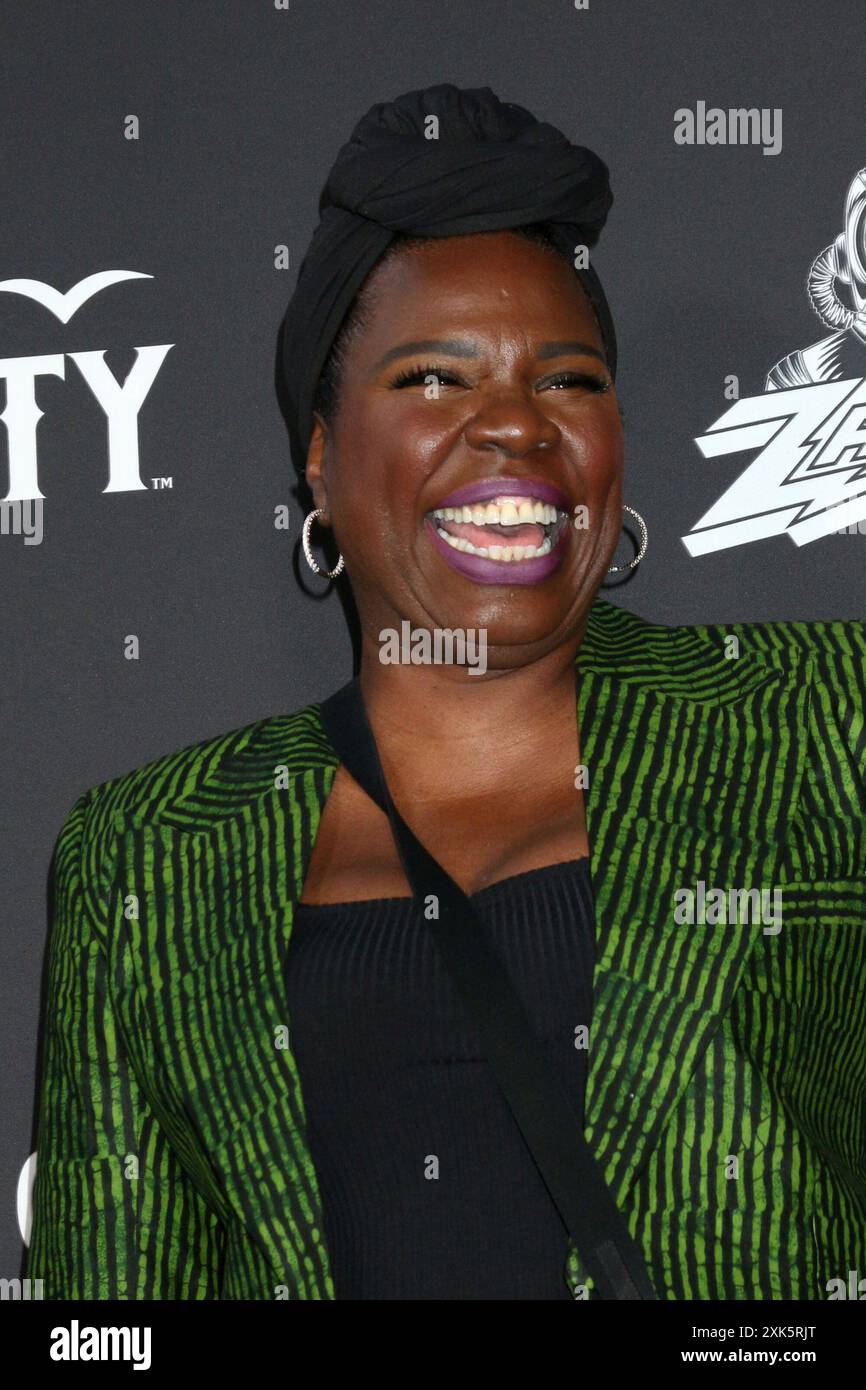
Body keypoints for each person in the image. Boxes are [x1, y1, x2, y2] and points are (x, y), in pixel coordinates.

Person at [26, 83, 866, 1301]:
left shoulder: (821, 724)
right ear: (316, 456)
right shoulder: (146, 859)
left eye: (568, 380)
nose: (515, 426)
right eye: (431, 379)